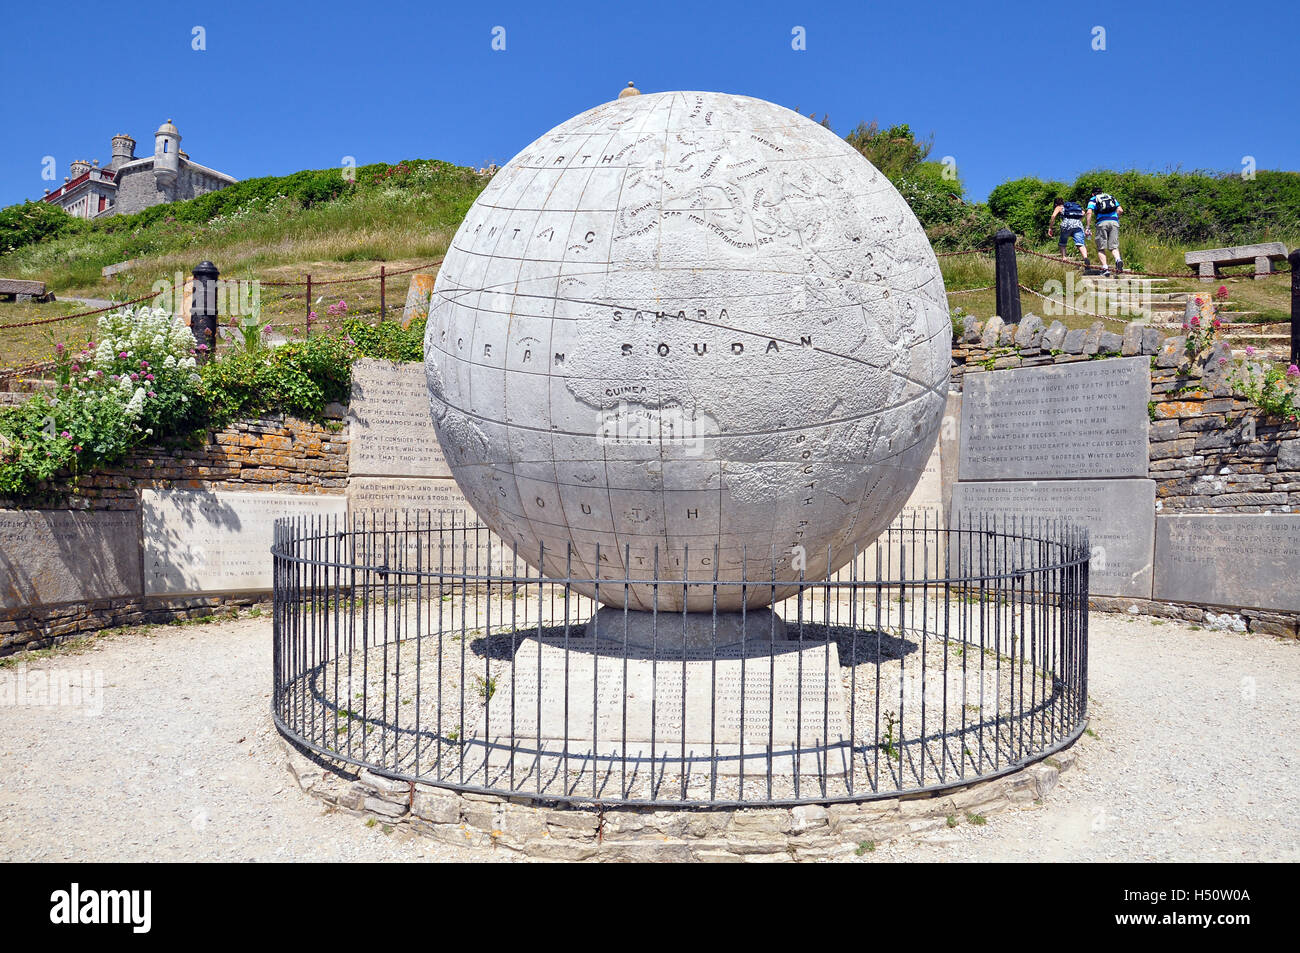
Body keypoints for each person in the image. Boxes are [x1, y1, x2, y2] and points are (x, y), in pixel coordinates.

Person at [1086, 191, 1124, 276]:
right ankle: (1118, 260)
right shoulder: (1111, 197)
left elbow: (1089, 212)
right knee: (1114, 246)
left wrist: (1088, 227)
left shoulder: (1093, 199)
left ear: (1093, 193)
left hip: (1102, 223)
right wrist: (1114, 218)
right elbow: (1120, 210)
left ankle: (1105, 268)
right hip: (1114, 222)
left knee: (1101, 247)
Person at [1047, 196, 1091, 269]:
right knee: (1080, 243)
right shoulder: (1072, 208)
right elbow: (1083, 213)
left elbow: (1053, 216)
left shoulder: (1059, 207)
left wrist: (1050, 228)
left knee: (1062, 243)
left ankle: (1064, 258)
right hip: (1078, 225)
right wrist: (1078, 219)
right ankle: (1085, 258)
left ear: (1055, 204)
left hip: (1066, 225)